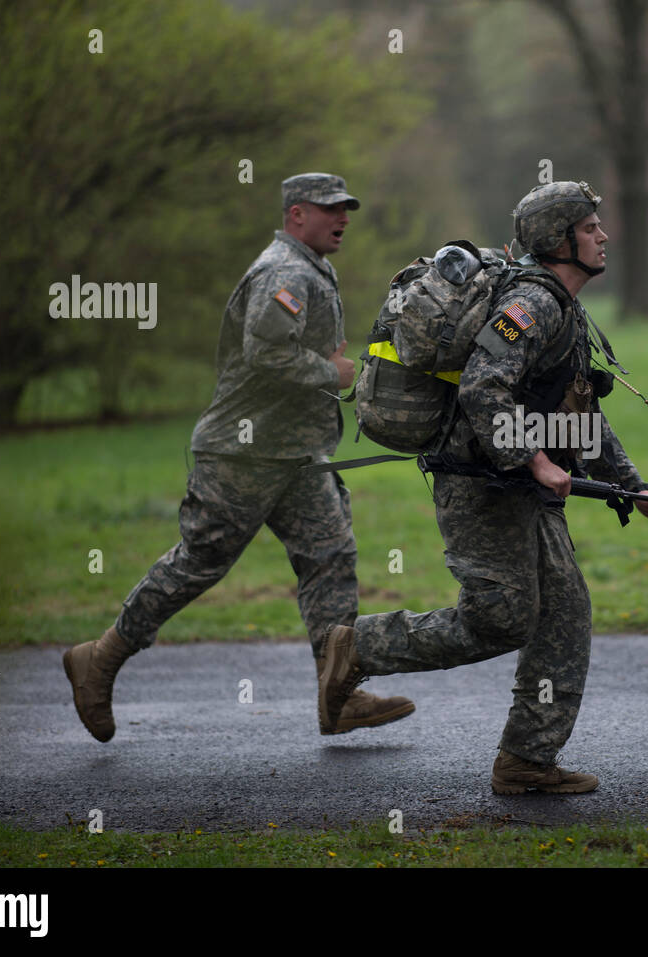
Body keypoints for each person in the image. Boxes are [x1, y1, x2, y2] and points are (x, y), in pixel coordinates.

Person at [318, 181, 648, 794]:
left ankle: (526, 761)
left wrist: (632, 488)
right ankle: (359, 647)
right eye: (590, 228)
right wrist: (534, 459)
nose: (603, 235)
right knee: (504, 617)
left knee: (565, 613)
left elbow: (579, 409)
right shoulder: (531, 307)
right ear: (559, 239)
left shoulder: (564, 306)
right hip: (479, 485)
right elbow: (484, 387)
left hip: (517, 485)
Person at [63, 173, 415, 741]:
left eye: (346, 208)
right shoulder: (287, 270)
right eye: (329, 210)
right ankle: (98, 660)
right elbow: (264, 351)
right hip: (242, 454)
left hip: (295, 453)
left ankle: (341, 696)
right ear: (296, 215)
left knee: (330, 557)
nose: (343, 218)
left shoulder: (307, 265)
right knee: (200, 563)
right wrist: (332, 372)